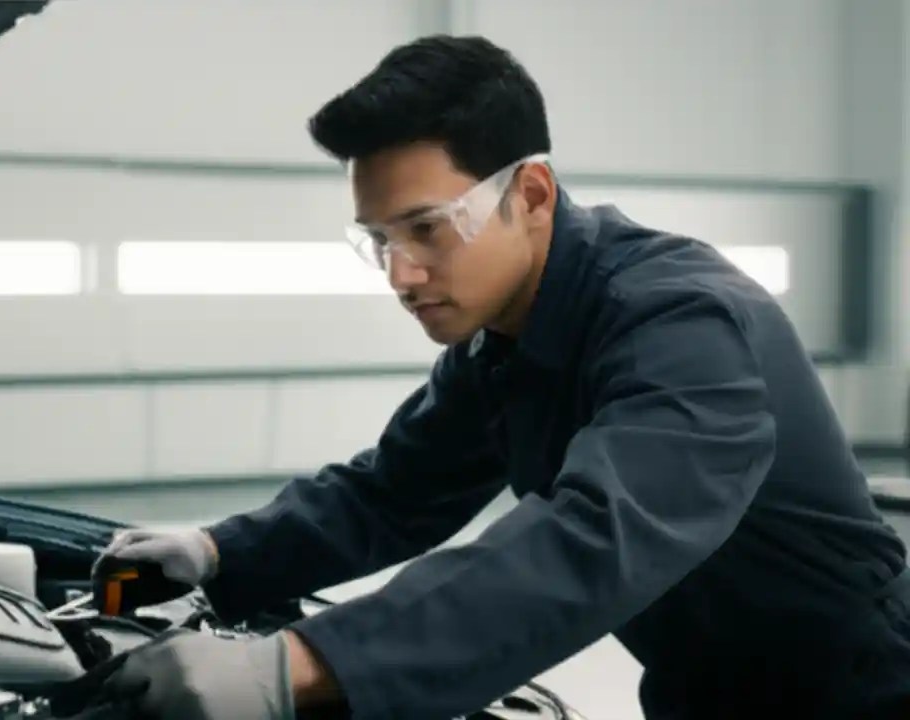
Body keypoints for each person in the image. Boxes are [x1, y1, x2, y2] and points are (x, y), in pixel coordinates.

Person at [87, 34, 910, 720]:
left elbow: (590, 541)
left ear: (534, 194)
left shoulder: (685, 323)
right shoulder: (504, 342)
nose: (400, 275)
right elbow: (393, 492)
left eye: (426, 229)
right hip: (704, 693)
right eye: (378, 239)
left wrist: (297, 667)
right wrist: (220, 553)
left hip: (856, 694)